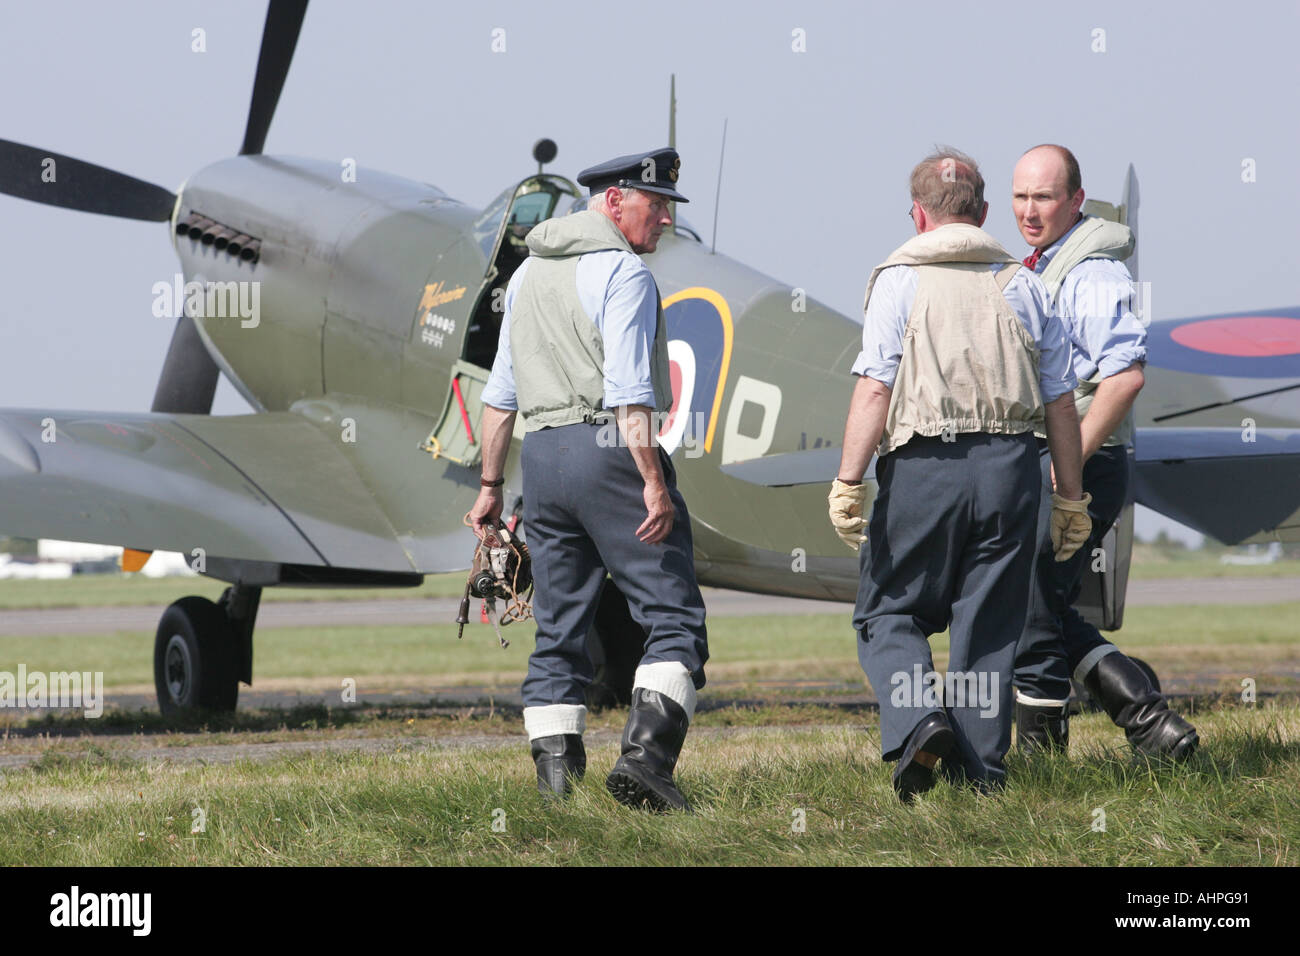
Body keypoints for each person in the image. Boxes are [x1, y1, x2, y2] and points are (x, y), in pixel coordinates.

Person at [829, 148, 1091, 801]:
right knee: (990, 619)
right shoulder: (1023, 283)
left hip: (924, 466)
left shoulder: (899, 279)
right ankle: (983, 776)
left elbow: (874, 387)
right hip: (1011, 470)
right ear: (982, 212)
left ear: (920, 215)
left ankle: (920, 722)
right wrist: (1070, 496)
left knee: (888, 611)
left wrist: (848, 479)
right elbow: (1061, 399)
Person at [468, 148, 708, 812]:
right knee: (675, 616)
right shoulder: (624, 274)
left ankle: (558, 797)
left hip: (542, 461)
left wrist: (490, 488)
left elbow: (499, 397)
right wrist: (652, 480)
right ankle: (647, 762)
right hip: (609, 451)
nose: (664, 220)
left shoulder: (524, 276)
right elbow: (630, 395)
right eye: (654, 205)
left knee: (560, 627)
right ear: (612, 202)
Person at [1009, 144, 1198, 759]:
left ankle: (1043, 765)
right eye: (1020, 196)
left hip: (1086, 462)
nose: (1029, 211)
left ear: (1075, 201)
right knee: (1042, 600)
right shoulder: (1049, 263)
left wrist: (1067, 474)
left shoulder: (1090, 273)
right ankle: (1148, 721)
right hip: (1072, 462)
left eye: (1044, 197)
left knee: (1034, 609)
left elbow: (1124, 377)